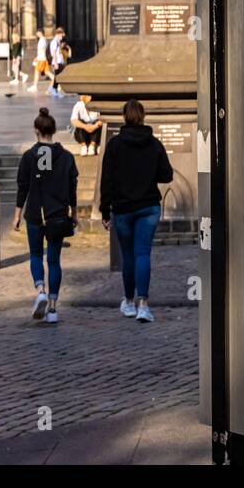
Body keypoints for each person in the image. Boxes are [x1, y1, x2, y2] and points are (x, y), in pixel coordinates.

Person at [99, 99, 173, 323]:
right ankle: (144, 304)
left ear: (124, 117)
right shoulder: (154, 144)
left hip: (123, 207)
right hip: (148, 205)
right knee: (143, 254)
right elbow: (167, 175)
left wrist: (105, 210)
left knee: (128, 255)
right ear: (143, 116)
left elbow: (107, 180)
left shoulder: (115, 145)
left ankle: (129, 301)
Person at [12, 108, 78, 324]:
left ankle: (40, 288)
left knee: (35, 255)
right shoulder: (67, 157)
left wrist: (17, 215)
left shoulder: (30, 156)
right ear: (54, 130)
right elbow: (72, 188)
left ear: (36, 130)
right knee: (55, 260)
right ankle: (52, 307)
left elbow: (23, 188)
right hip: (57, 213)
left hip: (35, 213)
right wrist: (74, 213)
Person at [48, 28, 68, 97]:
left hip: (60, 61)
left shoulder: (57, 41)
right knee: (58, 76)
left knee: (58, 76)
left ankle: (54, 89)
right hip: (57, 62)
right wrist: (56, 63)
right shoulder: (54, 42)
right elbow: (53, 53)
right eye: (62, 35)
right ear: (58, 34)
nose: (62, 37)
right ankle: (53, 89)